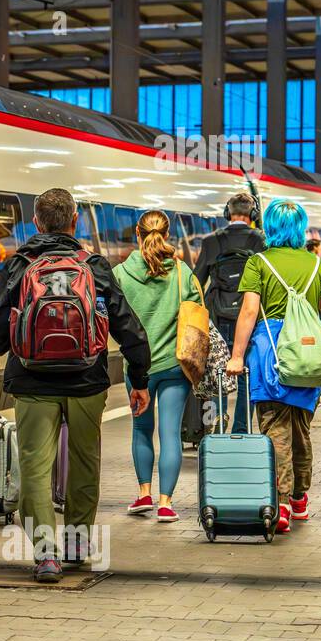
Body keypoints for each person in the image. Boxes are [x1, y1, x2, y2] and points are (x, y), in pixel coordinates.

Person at [0, 188, 151, 583]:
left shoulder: (20, 264)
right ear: (74, 221)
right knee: (84, 463)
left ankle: (45, 556)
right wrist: (138, 379)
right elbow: (128, 326)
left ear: (36, 222)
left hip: (32, 380)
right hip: (87, 379)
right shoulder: (92, 265)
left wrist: (14, 344)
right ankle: (76, 544)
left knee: (36, 469)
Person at [225, 199, 321, 534]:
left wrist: (237, 355)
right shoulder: (317, 266)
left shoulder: (258, 263)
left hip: (270, 355)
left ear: (269, 227)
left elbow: (248, 313)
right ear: (300, 229)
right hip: (308, 354)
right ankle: (300, 498)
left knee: (275, 428)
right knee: (301, 430)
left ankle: (281, 502)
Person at [113, 210, 203, 524]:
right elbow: (197, 314)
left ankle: (143, 494)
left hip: (137, 368)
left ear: (137, 234)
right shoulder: (182, 272)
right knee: (169, 434)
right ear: (167, 234)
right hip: (175, 365)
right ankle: (166, 503)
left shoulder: (121, 273)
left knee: (141, 430)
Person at [196, 192, 265, 433]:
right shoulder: (261, 241)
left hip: (218, 317)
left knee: (217, 375)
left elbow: (197, 281)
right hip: (250, 319)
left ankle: (216, 424)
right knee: (246, 375)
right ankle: (241, 429)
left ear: (228, 213)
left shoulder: (211, 241)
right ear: (253, 215)